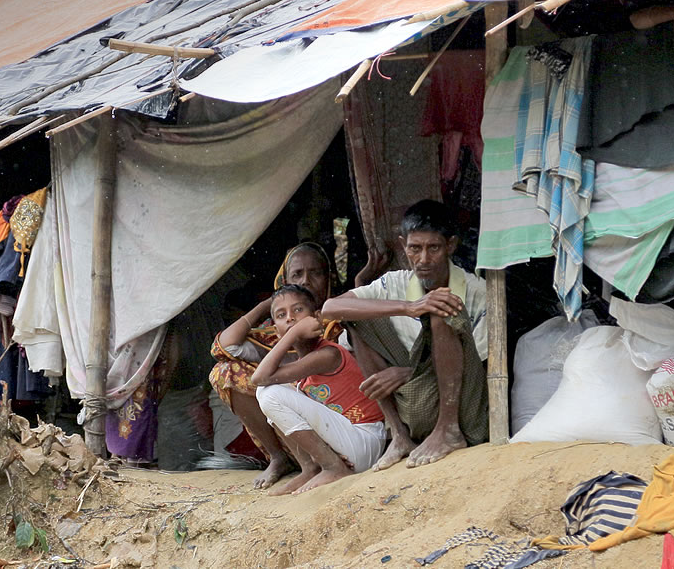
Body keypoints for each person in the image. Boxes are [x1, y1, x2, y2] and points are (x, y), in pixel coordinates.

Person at [322, 199, 487, 470]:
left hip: (465, 408)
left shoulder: (477, 291)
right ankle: (399, 435)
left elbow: (477, 364)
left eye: (433, 248)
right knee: (356, 318)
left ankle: (448, 431)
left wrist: (407, 372)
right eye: (415, 248)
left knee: (441, 303)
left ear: (451, 246)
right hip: (416, 404)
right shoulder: (395, 283)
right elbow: (330, 308)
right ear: (403, 246)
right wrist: (408, 307)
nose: (423, 259)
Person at [209, 243, 344, 489]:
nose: (306, 281)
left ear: (329, 277)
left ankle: (324, 463)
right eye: (297, 275)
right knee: (224, 373)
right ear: (283, 280)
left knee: (276, 387)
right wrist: (272, 303)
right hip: (295, 436)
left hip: (338, 431)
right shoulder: (275, 331)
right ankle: (280, 458)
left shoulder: (340, 321)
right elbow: (223, 348)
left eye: (315, 273)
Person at [251, 285, 386, 495]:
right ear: (275, 328)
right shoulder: (303, 364)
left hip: (364, 441)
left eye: (298, 310)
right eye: (281, 315)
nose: (290, 319)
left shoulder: (328, 354)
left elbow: (260, 378)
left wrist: (292, 333)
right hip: (348, 444)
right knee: (270, 391)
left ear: (316, 318)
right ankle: (310, 468)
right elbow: (261, 379)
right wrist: (292, 333)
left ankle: (333, 468)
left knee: (268, 393)